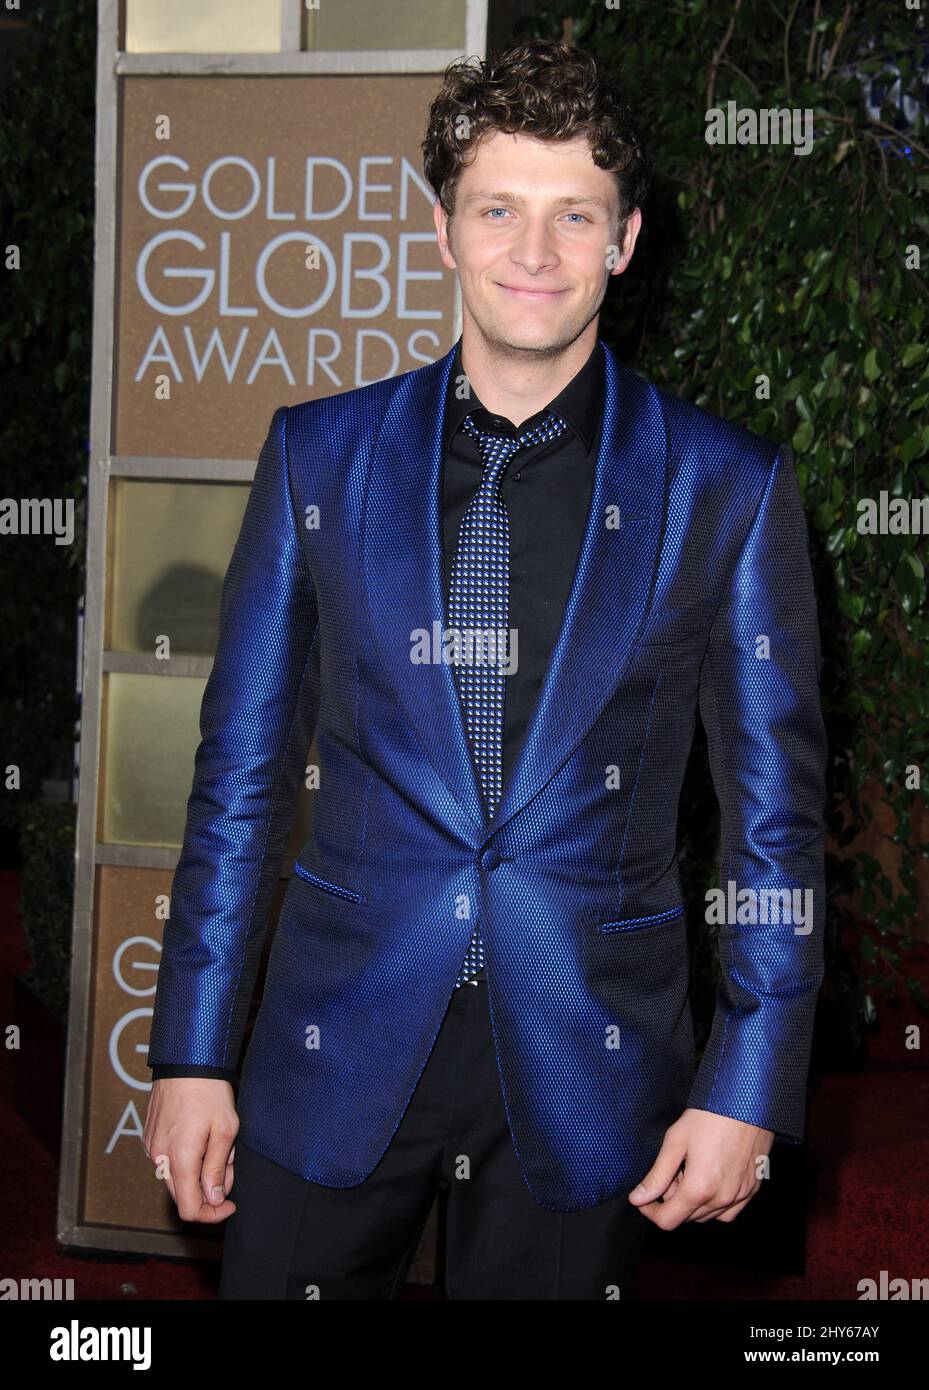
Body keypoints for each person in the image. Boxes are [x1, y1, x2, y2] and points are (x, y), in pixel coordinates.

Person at [143, 37, 827, 1300]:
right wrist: (187, 1053)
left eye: (576, 215)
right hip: (335, 1035)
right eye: (498, 208)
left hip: (587, 1058)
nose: (534, 251)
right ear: (443, 230)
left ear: (622, 243)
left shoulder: (726, 489)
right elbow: (236, 780)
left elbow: (771, 827)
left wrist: (747, 1082)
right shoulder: (317, 459)